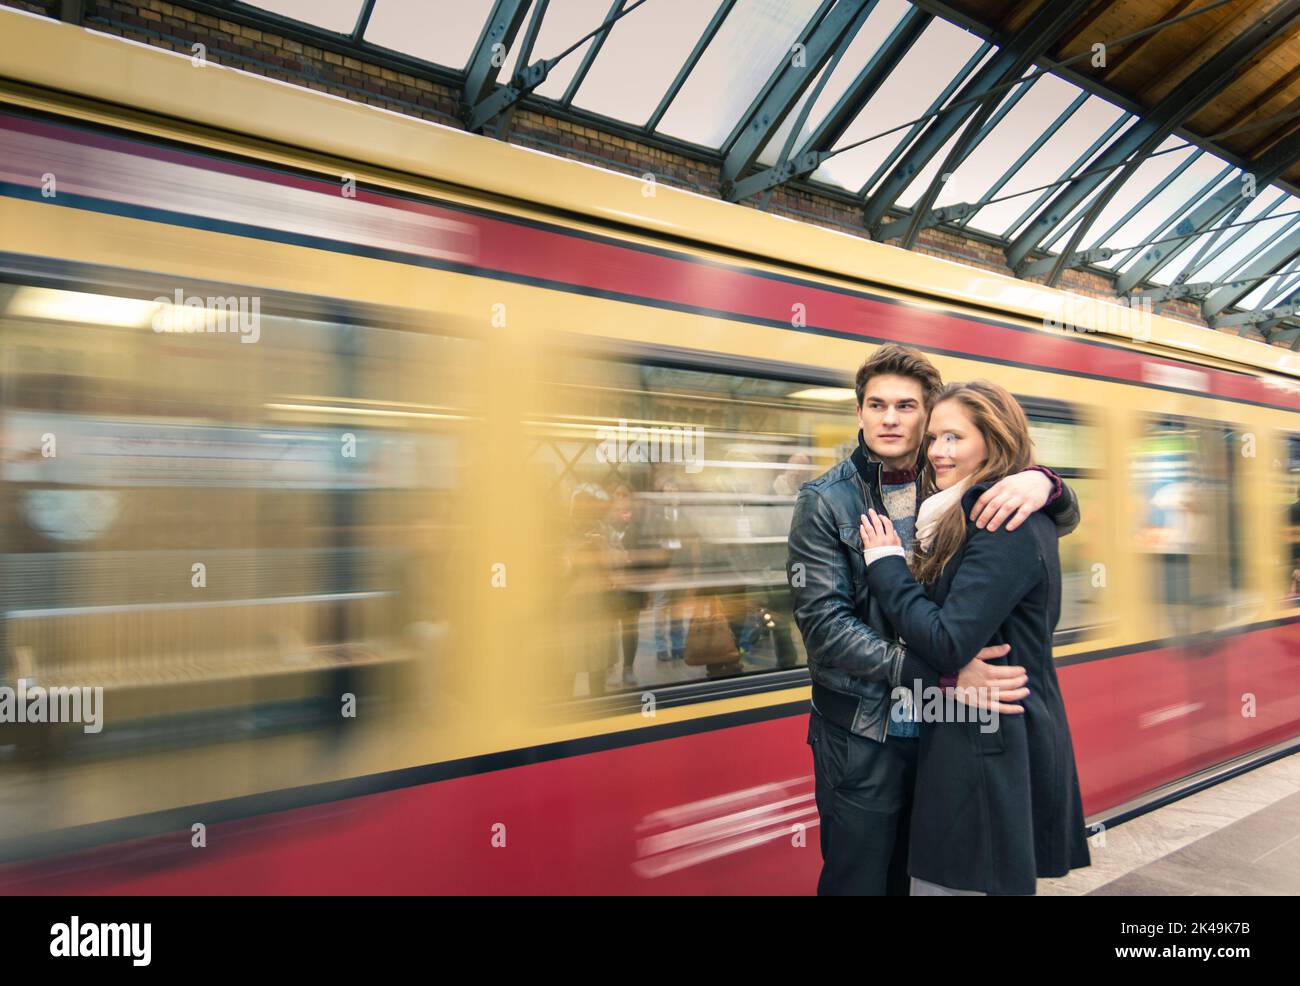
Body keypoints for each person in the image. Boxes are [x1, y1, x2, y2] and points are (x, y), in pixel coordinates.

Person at [787, 344, 1080, 896]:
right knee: (862, 882)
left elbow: (1037, 521)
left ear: (928, 416)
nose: (890, 419)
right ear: (859, 413)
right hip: (864, 734)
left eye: (906, 406)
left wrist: (1046, 482)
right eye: (877, 405)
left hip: (942, 736)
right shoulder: (825, 501)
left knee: (929, 880)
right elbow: (825, 628)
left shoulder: (950, 481)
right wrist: (940, 675)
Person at [859, 379, 1091, 895]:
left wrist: (886, 565)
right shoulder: (956, 510)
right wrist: (1047, 482)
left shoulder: (1003, 519)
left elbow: (948, 642)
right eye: (934, 438)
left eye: (954, 438)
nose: (937, 451)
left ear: (994, 439)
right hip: (968, 736)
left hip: (987, 746)